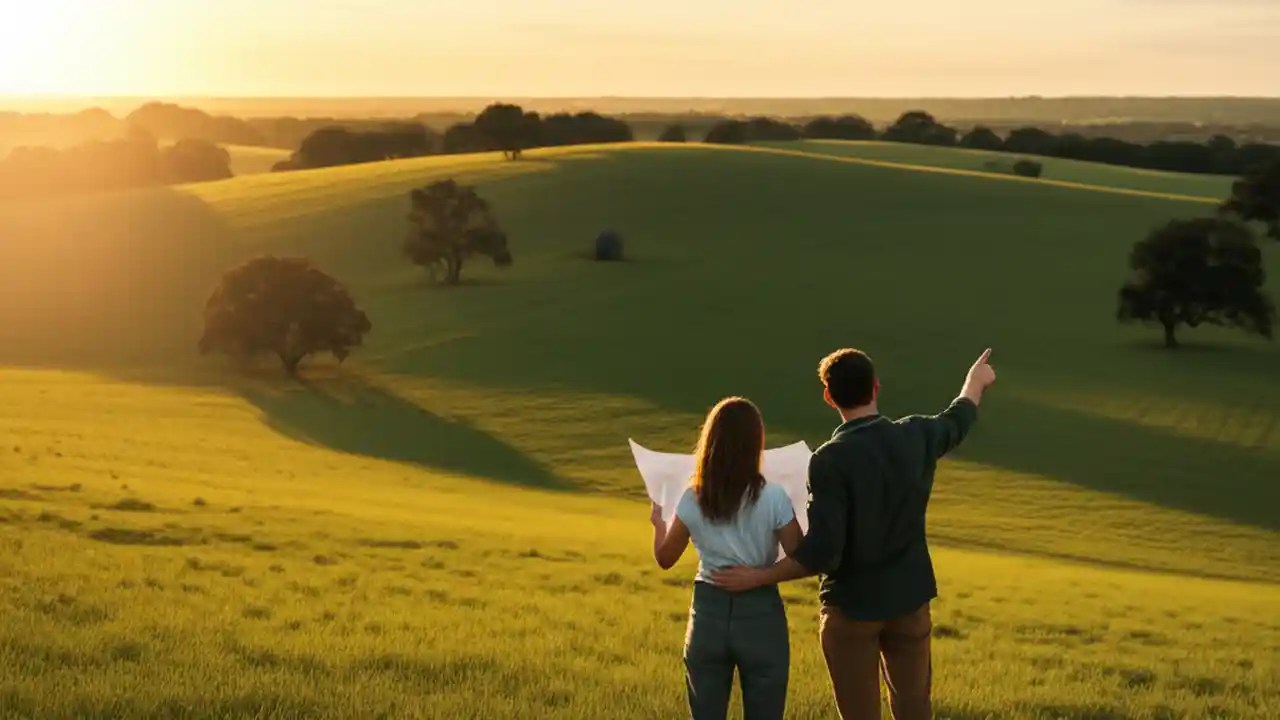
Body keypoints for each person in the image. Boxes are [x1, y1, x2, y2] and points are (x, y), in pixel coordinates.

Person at [713, 348, 997, 720]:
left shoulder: (831, 459)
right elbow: (957, 420)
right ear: (876, 387)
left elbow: (824, 552)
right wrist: (974, 381)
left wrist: (760, 576)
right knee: (915, 710)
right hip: (910, 601)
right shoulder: (915, 436)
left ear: (829, 397)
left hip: (852, 609)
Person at [649, 396, 804, 720]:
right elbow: (801, 558)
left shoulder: (694, 497)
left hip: (708, 614)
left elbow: (665, 558)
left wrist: (658, 525)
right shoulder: (773, 496)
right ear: (755, 443)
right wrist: (758, 577)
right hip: (761, 614)